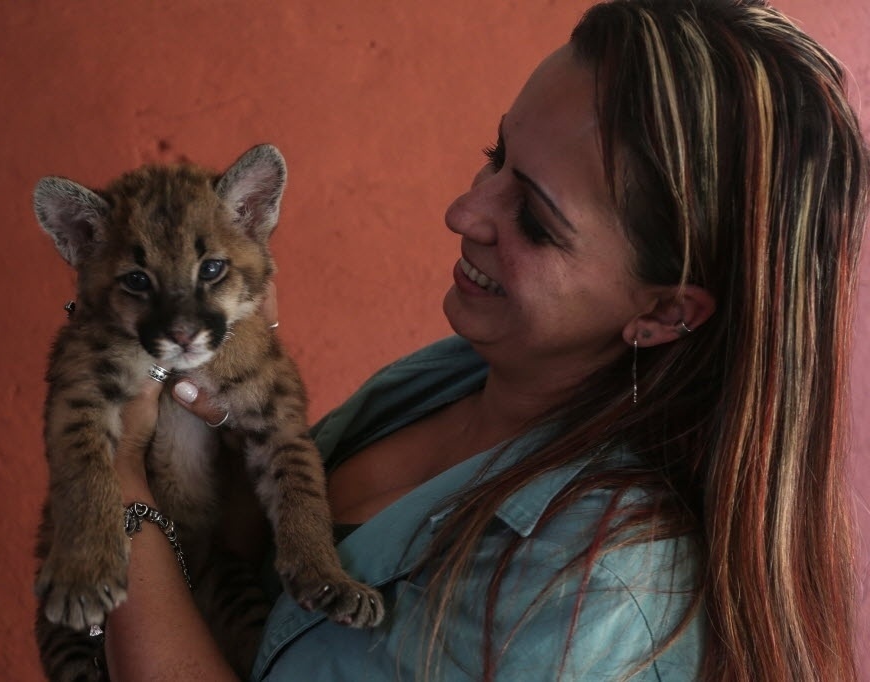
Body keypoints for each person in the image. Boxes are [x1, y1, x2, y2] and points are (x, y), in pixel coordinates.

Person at [100, 0, 869, 679]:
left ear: (664, 312)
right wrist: (241, 400)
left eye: (535, 220)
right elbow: (255, 577)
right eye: (494, 158)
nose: (464, 212)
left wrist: (115, 484)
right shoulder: (459, 374)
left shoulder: (590, 592)